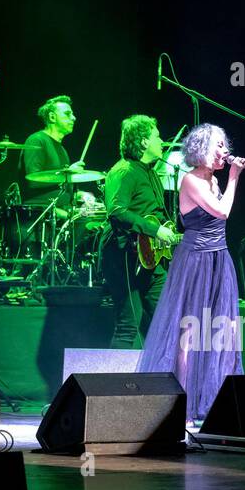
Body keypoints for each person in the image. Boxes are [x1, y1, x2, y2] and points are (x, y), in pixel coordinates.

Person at [136, 124, 245, 425]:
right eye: (218, 146)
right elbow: (221, 212)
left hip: (218, 259)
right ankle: (181, 407)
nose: (224, 152)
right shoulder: (191, 181)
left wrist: (229, 177)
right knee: (188, 334)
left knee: (221, 333)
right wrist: (235, 178)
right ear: (201, 150)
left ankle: (214, 403)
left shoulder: (212, 180)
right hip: (195, 261)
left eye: (225, 146)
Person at [99, 115, 181, 349]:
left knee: (164, 324)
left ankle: (159, 382)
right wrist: (155, 230)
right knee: (128, 326)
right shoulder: (124, 171)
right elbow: (116, 211)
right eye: (157, 136)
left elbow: (155, 213)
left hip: (151, 259)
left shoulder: (151, 172)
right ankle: (112, 386)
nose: (162, 141)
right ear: (144, 142)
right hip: (124, 255)